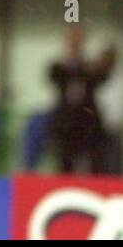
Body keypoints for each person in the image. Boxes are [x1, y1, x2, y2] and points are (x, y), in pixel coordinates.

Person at [47, 27, 116, 175]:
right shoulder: (60, 66)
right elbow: (56, 76)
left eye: (78, 41)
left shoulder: (91, 67)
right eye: (72, 41)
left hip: (88, 123)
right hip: (65, 124)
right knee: (65, 164)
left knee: (95, 164)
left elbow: (102, 76)